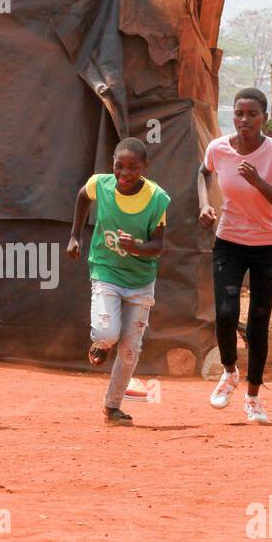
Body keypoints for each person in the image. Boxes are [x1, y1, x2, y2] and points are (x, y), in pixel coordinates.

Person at [197, 87, 272, 423]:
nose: (245, 120)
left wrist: (258, 182)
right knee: (225, 313)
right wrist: (204, 204)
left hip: (268, 245)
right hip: (229, 241)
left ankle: (253, 397)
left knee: (258, 324)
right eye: (239, 113)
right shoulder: (219, 149)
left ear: (264, 118)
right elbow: (204, 172)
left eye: (252, 114)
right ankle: (229, 372)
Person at [67, 137, 170, 425]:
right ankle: (100, 343)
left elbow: (159, 245)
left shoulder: (156, 198)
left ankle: (112, 407)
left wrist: (138, 246)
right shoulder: (100, 184)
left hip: (140, 280)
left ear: (144, 167)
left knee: (128, 351)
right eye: (119, 166)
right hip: (106, 270)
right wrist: (76, 235)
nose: (124, 174)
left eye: (132, 168)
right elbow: (82, 197)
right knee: (106, 334)